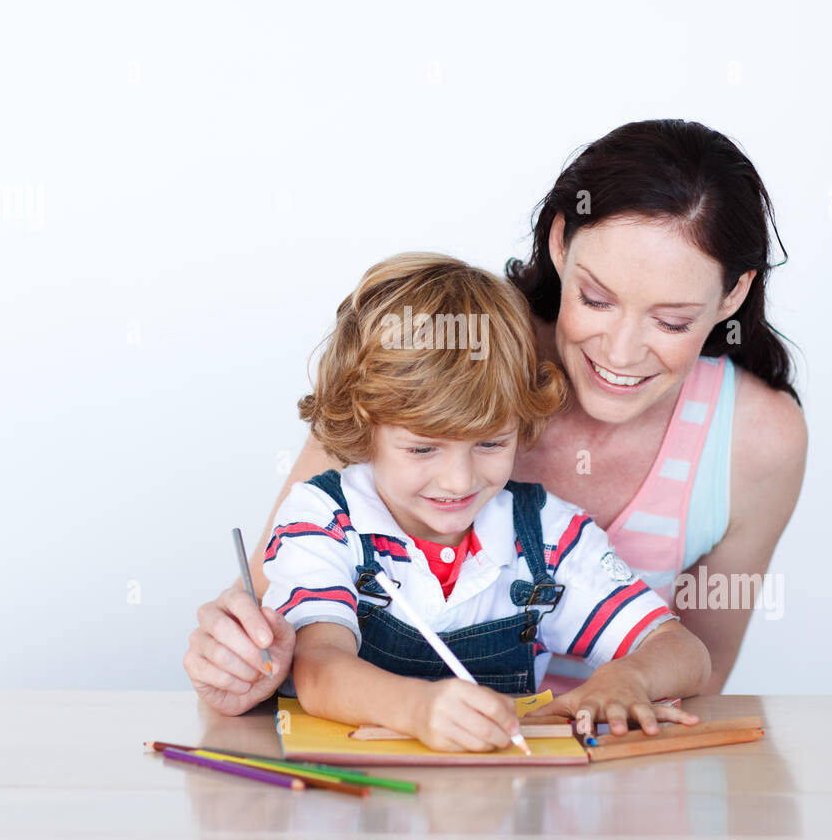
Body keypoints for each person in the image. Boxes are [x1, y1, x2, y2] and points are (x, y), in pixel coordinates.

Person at [184, 119, 806, 715]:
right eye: (596, 299)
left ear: (733, 294)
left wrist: (627, 682)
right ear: (559, 242)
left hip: (562, 765)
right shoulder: (440, 352)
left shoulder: (563, 527)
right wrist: (240, 657)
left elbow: (697, 670)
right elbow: (285, 638)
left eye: (671, 322)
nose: (620, 354)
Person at [246, 253, 709, 751]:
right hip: (355, 790)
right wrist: (418, 710)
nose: (459, 480)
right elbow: (317, 668)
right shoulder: (324, 519)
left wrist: (629, 677)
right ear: (365, 429)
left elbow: (685, 652)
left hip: (504, 795)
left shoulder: (548, 538)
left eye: (490, 443)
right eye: (423, 448)